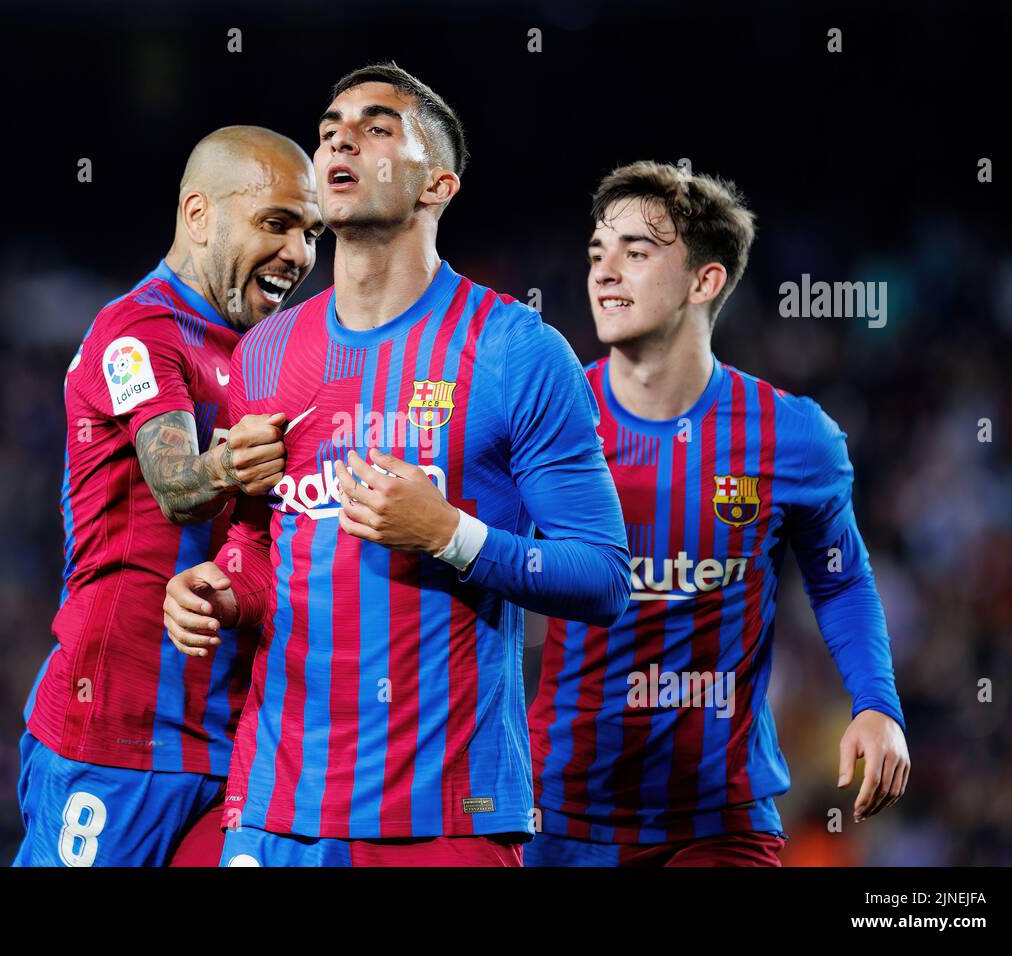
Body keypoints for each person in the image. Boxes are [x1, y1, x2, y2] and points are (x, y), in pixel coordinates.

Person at [161, 63, 631, 866]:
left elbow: (602, 577)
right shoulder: (268, 352)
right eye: (331, 126)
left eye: (377, 127)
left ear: (437, 186)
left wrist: (452, 535)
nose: (340, 136)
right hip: (279, 806)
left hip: (444, 818)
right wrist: (215, 589)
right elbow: (259, 549)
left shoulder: (514, 351)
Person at [527, 161, 910, 866]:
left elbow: (840, 579)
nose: (604, 272)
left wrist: (876, 703)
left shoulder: (793, 438)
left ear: (705, 282)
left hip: (719, 822)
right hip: (559, 817)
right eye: (597, 253)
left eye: (636, 253)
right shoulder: (546, 419)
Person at [15, 126, 322, 866]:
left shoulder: (278, 353)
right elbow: (179, 486)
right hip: (116, 735)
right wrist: (233, 465)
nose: (301, 254)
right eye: (275, 223)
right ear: (199, 215)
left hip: (237, 742)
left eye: (311, 232)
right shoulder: (139, 331)